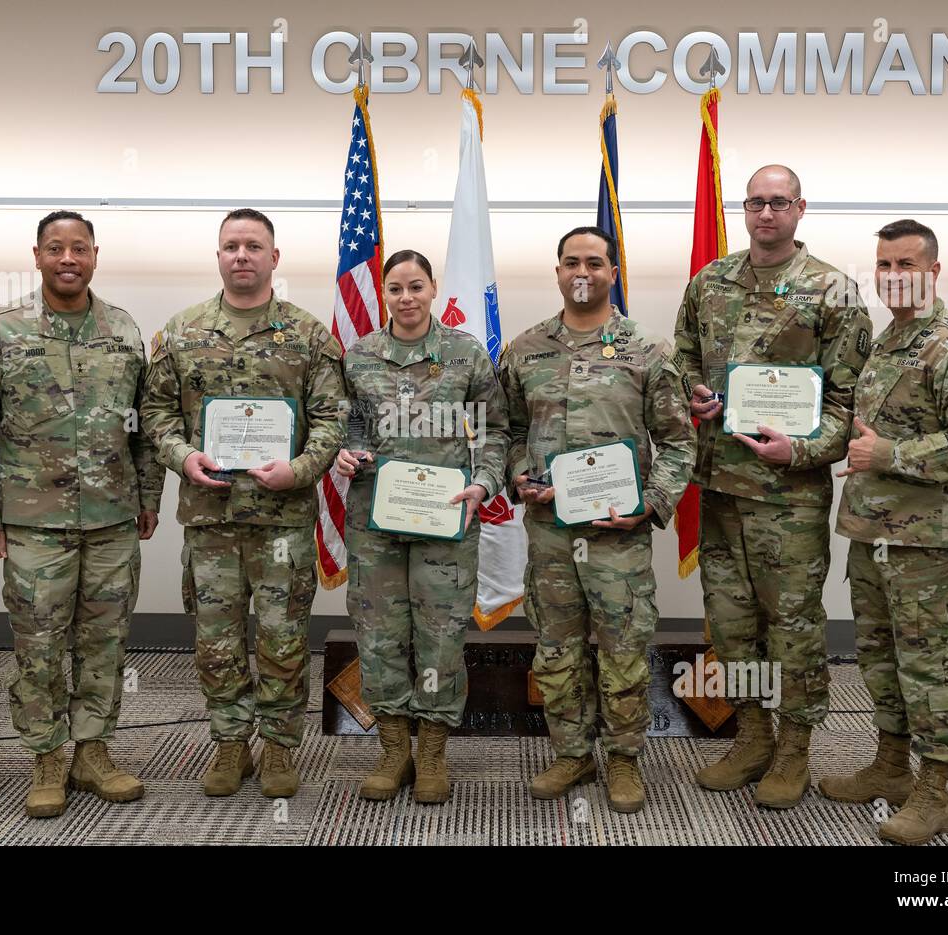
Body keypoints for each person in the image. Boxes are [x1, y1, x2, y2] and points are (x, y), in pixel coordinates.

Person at [0, 210, 163, 818]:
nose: (68, 259)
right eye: (55, 248)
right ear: (37, 255)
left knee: (105, 641)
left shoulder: (123, 329)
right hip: (32, 520)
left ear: (96, 254)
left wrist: (149, 498)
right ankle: (46, 757)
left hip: (113, 519)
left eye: (80, 248)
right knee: (38, 645)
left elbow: (144, 428)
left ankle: (92, 753)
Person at [674, 165, 872, 808]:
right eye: (756, 202)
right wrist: (696, 395)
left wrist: (802, 449)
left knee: (791, 628)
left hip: (789, 496)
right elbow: (681, 360)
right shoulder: (710, 283)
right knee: (731, 627)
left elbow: (851, 402)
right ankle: (752, 736)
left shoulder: (832, 291)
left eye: (778, 202)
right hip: (721, 487)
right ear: (744, 207)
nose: (766, 213)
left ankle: (793, 749)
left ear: (800, 208)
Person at [140, 209, 344, 798]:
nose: (242, 256)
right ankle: (230, 744)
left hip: (282, 519)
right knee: (216, 638)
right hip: (211, 518)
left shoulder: (308, 336)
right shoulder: (181, 333)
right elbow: (154, 415)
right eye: (231, 246)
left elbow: (332, 419)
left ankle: (279, 748)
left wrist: (300, 470)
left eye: (254, 246)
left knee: (282, 637)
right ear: (219, 255)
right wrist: (184, 458)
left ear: (274, 258)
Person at [500, 226, 696, 813]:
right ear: (557, 272)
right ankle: (571, 753)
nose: (581, 271)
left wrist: (651, 504)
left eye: (594, 262)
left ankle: (625, 760)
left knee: (622, 651)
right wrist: (517, 474)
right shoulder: (525, 350)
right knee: (556, 651)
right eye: (570, 262)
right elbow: (506, 431)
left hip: (619, 538)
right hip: (552, 535)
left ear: (613, 272)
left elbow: (680, 443)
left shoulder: (649, 351)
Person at [820, 219, 948, 844]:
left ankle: (935, 791)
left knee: (928, 663)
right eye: (885, 266)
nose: (893, 277)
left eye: (906, 265)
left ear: (934, 271)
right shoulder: (887, 341)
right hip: (873, 531)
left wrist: (890, 455)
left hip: (928, 541)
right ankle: (892, 765)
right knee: (877, 656)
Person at [334, 249, 507, 804]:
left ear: (434, 289)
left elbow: (497, 430)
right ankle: (393, 750)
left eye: (416, 287)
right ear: (383, 294)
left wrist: (484, 483)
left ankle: (432, 750)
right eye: (395, 289)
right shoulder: (360, 356)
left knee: (441, 634)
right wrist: (347, 454)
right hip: (374, 522)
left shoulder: (464, 354)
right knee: (380, 634)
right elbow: (346, 426)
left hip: (446, 518)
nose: (405, 298)